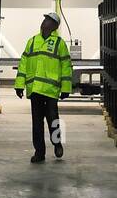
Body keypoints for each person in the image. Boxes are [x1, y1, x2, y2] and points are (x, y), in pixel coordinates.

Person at [14, 11, 73, 162]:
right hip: (35, 90)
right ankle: (39, 152)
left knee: (53, 119)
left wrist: (66, 88)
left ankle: (57, 143)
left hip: (51, 90)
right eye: (45, 19)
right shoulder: (32, 41)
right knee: (37, 123)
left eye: (48, 20)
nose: (44, 22)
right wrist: (19, 85)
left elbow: (66, 66)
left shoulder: (59, 44)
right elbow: (23, 64)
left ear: (54, 26)